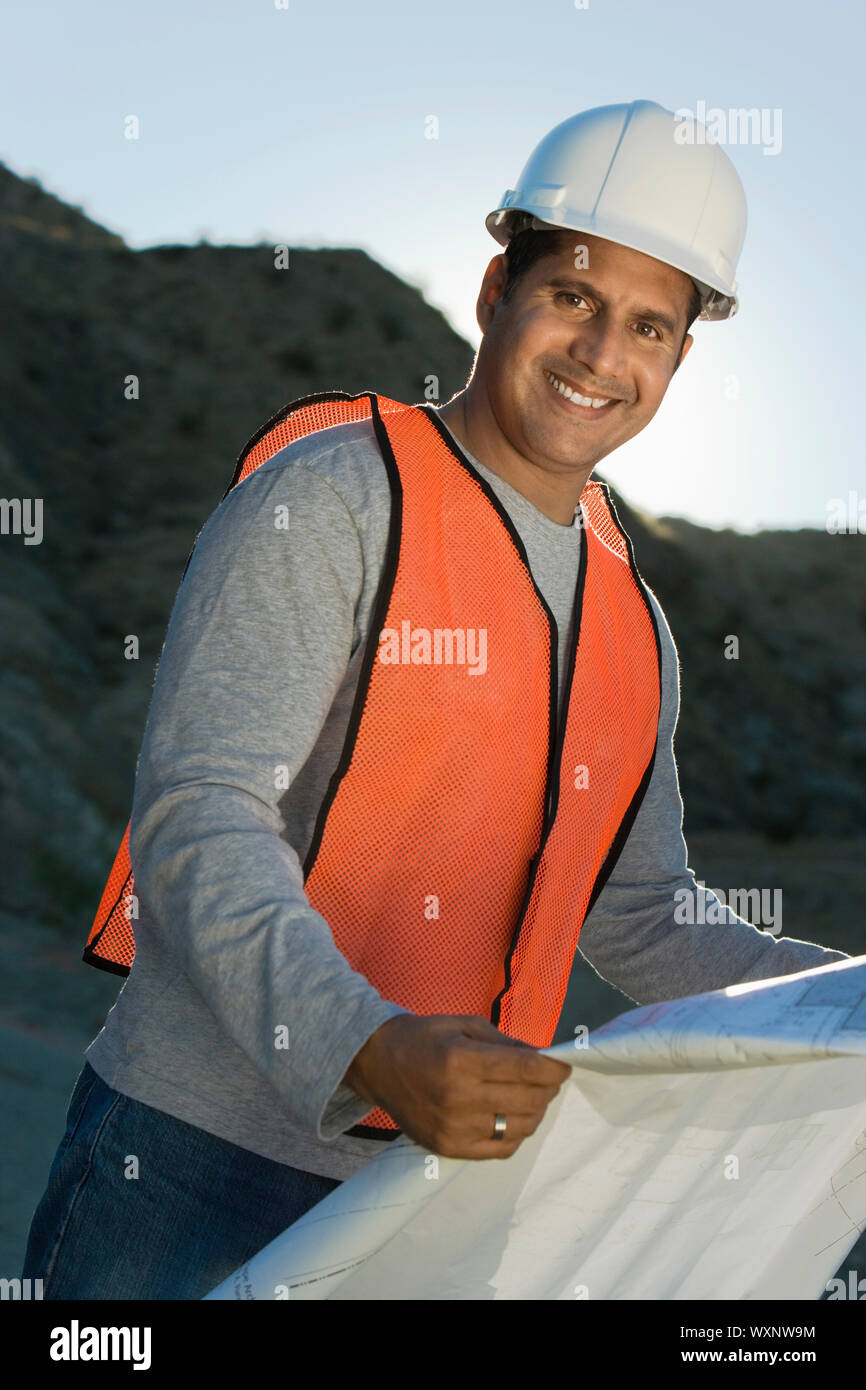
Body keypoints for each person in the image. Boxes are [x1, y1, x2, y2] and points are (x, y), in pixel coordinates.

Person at [23, 99, 849, 1300]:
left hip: (436, 1195)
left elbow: (644, 914)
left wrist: (844, 997)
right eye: (571, 296)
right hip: (190, 1158)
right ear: (493, 291)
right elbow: (200, 811)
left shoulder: (634, 620)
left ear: (678, 358)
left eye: (648, 326)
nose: (600, 354)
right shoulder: (335, 499)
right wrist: (366, 1043)